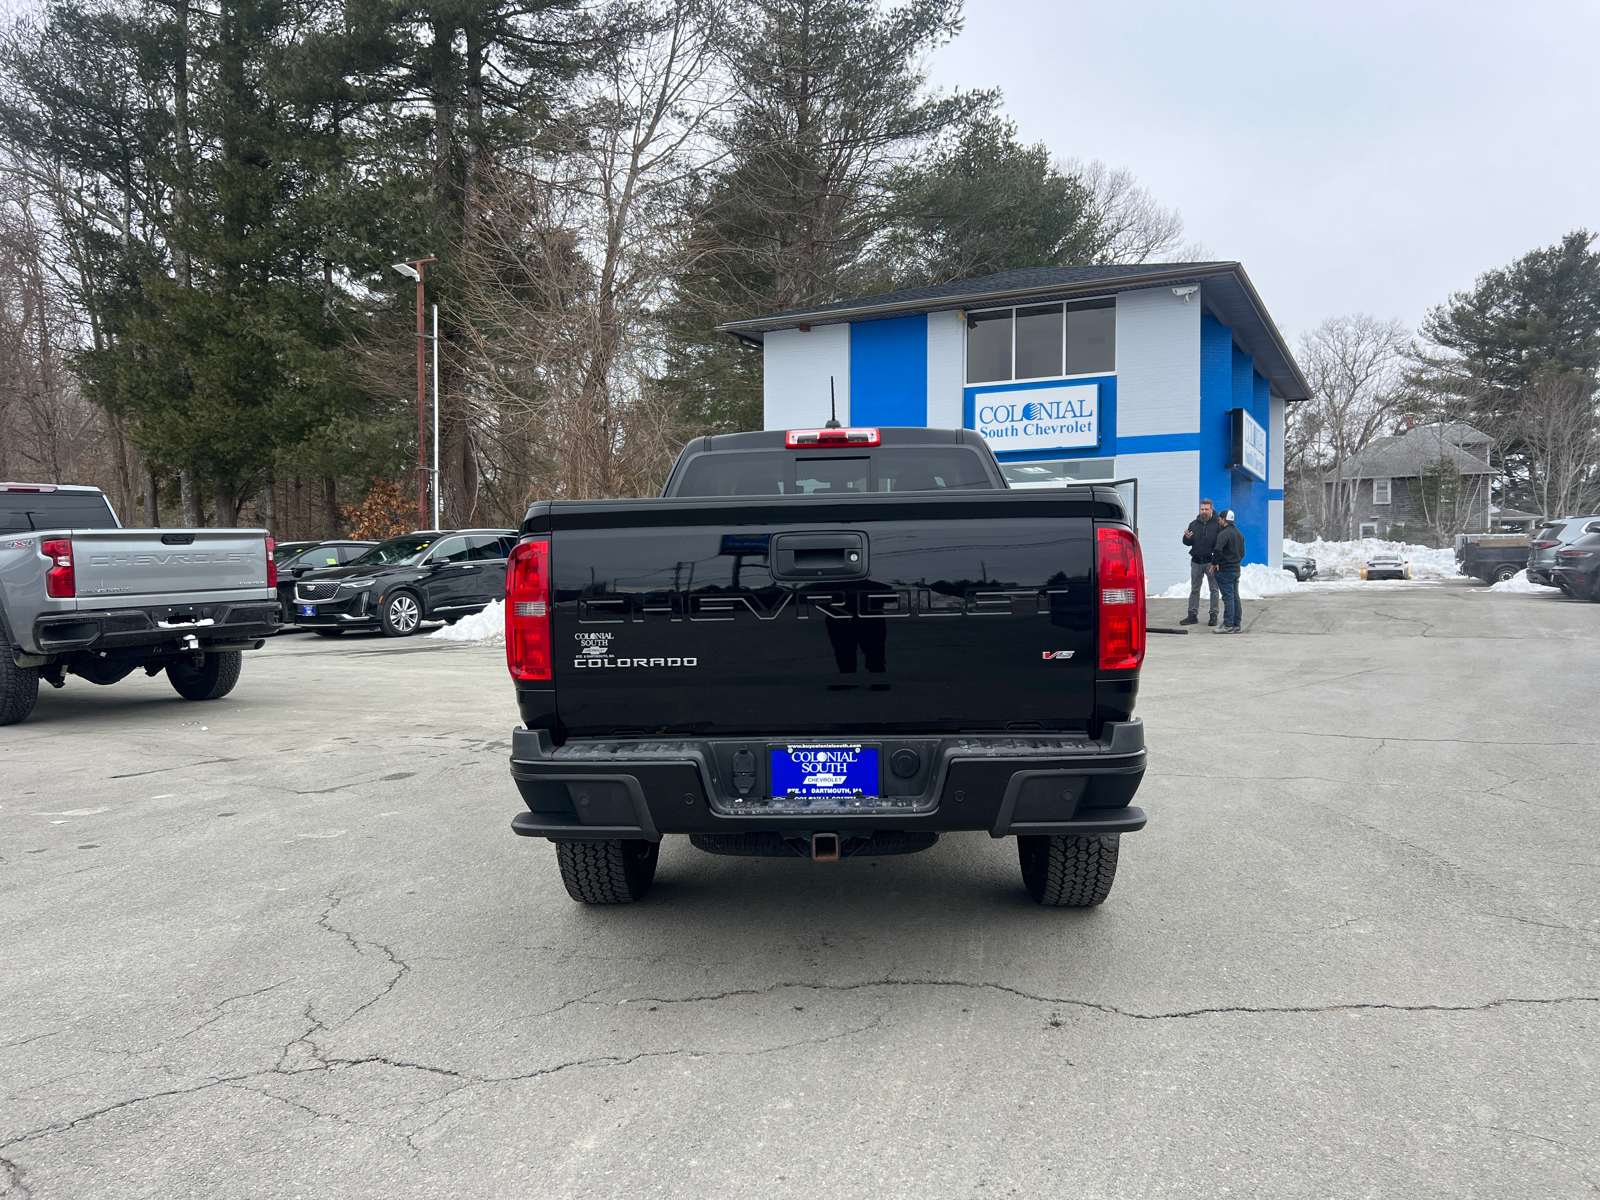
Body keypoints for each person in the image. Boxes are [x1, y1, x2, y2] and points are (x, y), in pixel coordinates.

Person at [1180, 499, 1221, 626]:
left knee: (1214, 589)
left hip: (1211, 562)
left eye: (1206, 509)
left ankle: (1213, 615)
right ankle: (1192, 615)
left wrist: (1218, 560)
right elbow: (1188, 543)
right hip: (1196, 561)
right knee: (1194, 589)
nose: (1204, 512)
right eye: (1202, 509)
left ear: (1211, 510)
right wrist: (1187, 538)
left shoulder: (1218, 524)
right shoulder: (1194, 524)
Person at [1211, 509, 1246, 633]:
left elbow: (1218, 550)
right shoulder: (1239, 534)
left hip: (1225, 570)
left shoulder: (1224, 534)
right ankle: (1236, 624)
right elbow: (1242, 553)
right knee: (1235, 596)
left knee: (1228, 597)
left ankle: (1228, 624)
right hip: (1236, 569)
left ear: (1224, 520)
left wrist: (1215, 564)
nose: (1219, 521)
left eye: (1220, 519)